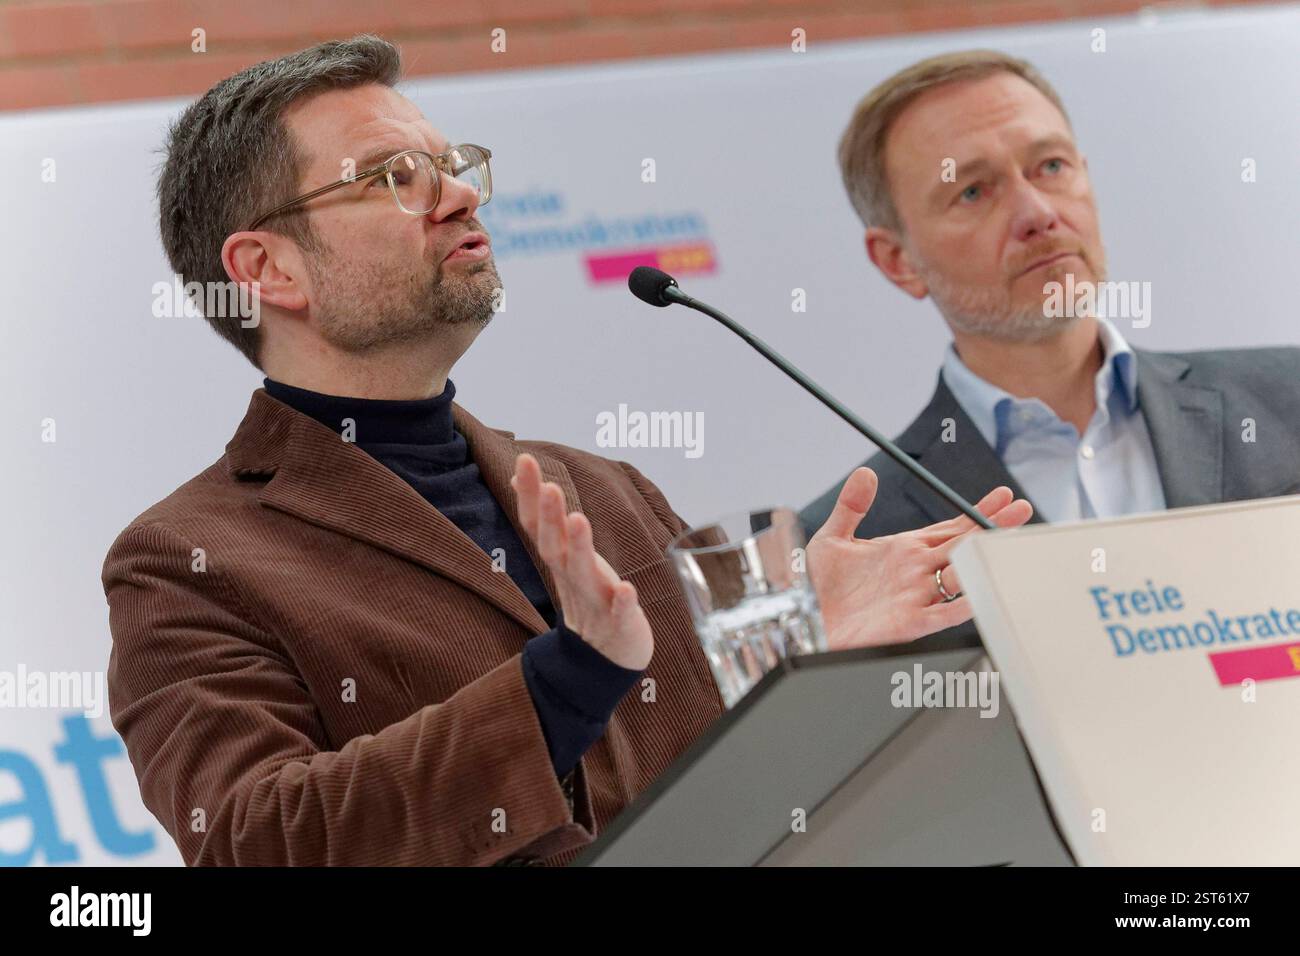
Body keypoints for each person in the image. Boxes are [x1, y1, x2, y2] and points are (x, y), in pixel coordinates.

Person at [102, 36, 1029, 867]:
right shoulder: (192, 563)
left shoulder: (605, 491)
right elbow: (261, 844)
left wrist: (791, 650)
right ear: (267, 270)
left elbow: (735, 792)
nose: (459, 194)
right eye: (393, 176)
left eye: (451, 166)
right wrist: (565, 680)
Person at [802, 50, 1300, 651]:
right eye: (973, 191)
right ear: (899, 260)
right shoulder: (857, 552)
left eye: (1052, 165)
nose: (1037, 214)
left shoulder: (1285, 401)